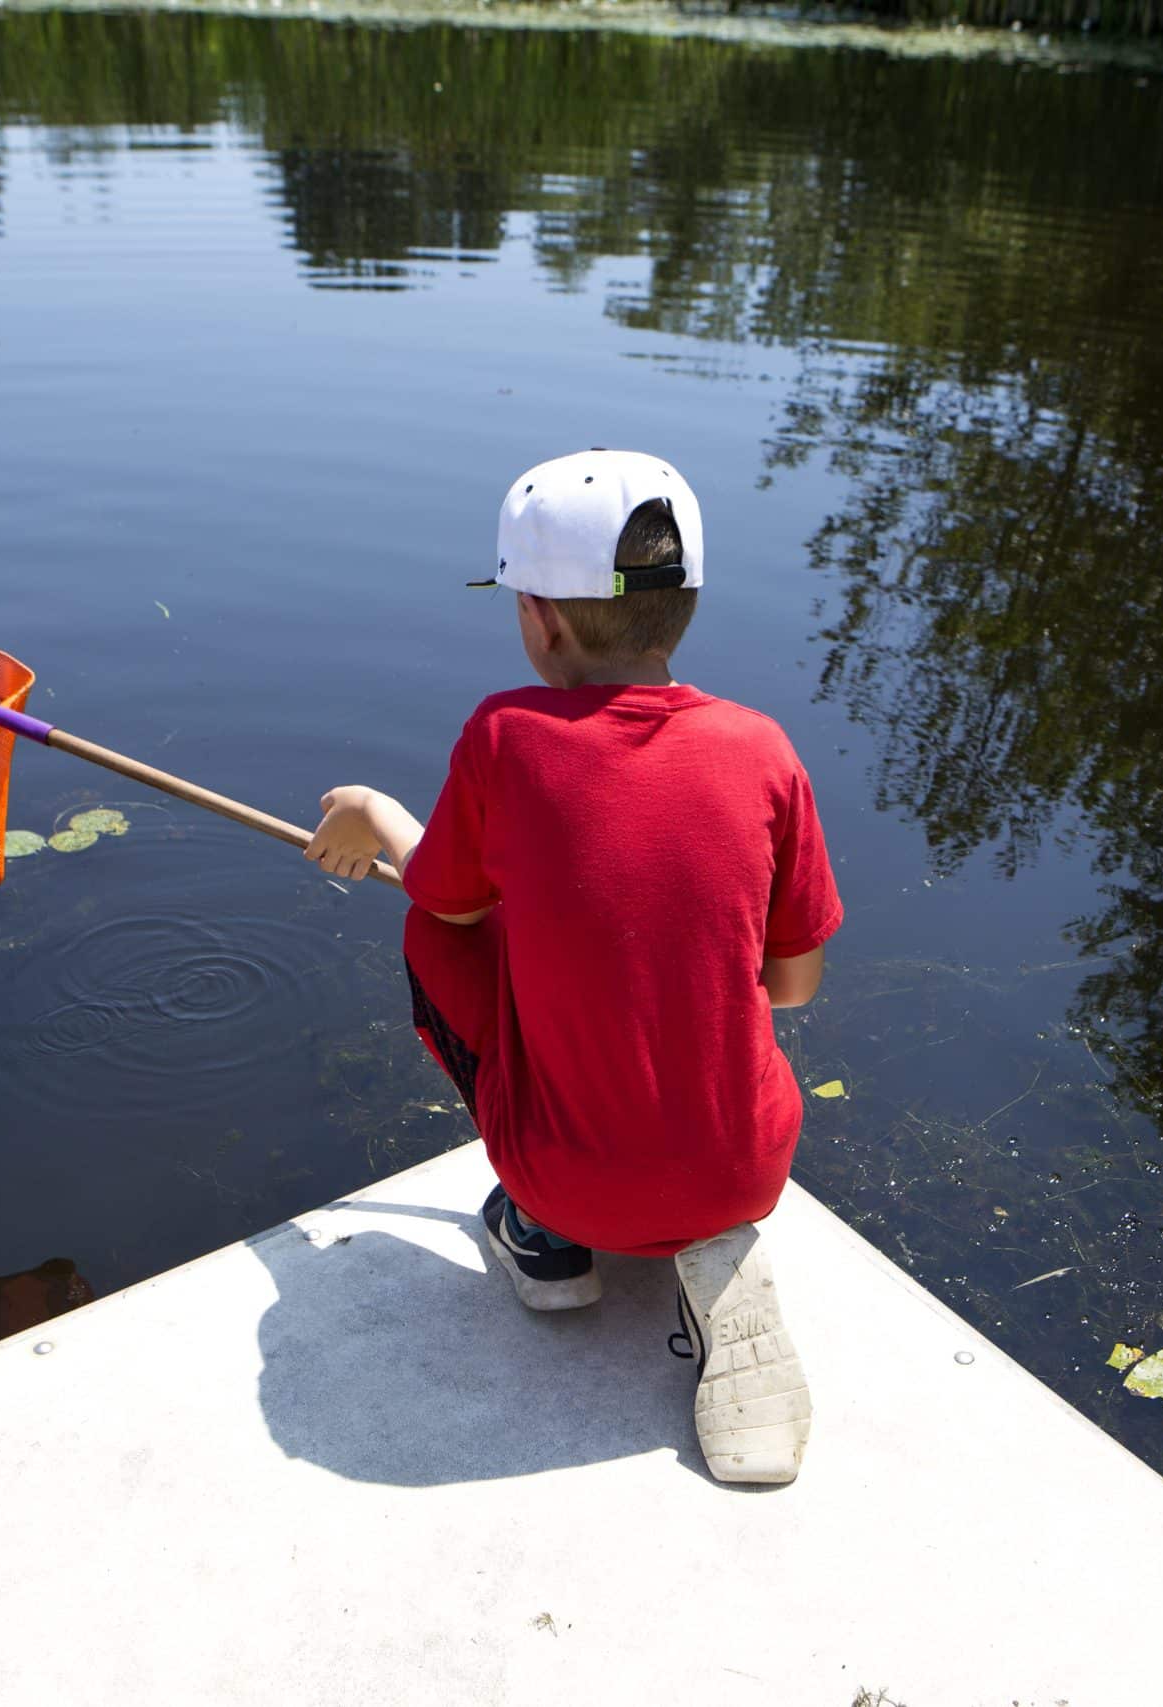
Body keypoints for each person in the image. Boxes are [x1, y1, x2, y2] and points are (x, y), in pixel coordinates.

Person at [302, 449, 843, 1485]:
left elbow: (448, 901)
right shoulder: (763, 749)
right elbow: (793, 986)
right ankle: (707, 1232)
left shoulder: (506, 737)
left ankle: (547, 1237)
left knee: (440, 936)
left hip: (574, 1182)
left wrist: (372, 814)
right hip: (748, 1167)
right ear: (682, 604)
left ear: (542, 620)